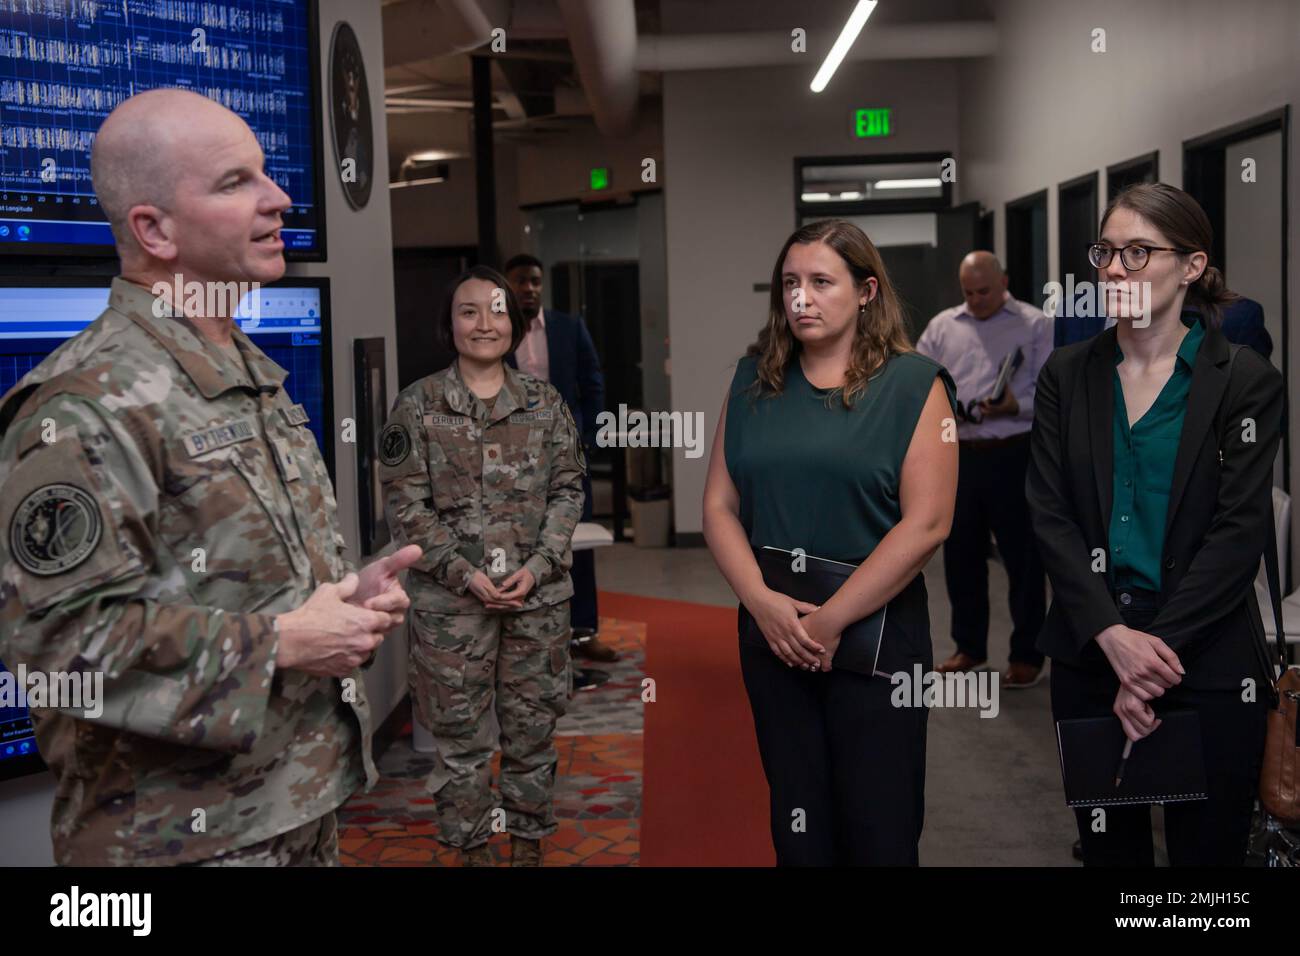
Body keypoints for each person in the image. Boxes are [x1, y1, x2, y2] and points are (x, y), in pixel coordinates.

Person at [0, 89, 421, 866]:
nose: (279, 200)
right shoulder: (86, 402)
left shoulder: (245, 371)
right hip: (174, 843)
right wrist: (283, 641)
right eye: (235, 184)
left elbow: (233, 575)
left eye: (265, 175)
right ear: (153, 229)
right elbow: (58, 646)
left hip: (290, 807)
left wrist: (339, 603)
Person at [1026, 182, 1283, 866]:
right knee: (1110, 854)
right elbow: (1048, 515)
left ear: (1192, 267)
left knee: (1207, 864)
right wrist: (1113, 638)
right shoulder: (1067, 374)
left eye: (1139, 252)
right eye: (1106, 252)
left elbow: (1238, 532)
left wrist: (1148, 661)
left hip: (1207, 657)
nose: (1114, 269)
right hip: (1091, 652)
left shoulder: (1245, 380)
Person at [702, 219, 958, 866]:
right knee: (798, 824)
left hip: (875, 637)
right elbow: (718, 507)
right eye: (790, 283)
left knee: (881, 828)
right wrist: (761, 604)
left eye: (821, 282)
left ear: (867, 291)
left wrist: (833, 619)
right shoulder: (751, 381)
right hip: (774, 634)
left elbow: (927, 524)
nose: (800, 299)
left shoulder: (914, 385)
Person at [381, 266, 585, 866]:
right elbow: (406, 506)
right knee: (462, 750)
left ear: (515, 324)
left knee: (532, 740)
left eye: (497, 311)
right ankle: (472, 857)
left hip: (537, 604)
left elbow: (569, 490)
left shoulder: (545, 404)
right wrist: (466, 574)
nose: (485, 323)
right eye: (469, 311)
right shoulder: (416, 405)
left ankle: (527, 854)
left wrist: (542, 564)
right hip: (452, 613)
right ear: (450, 324)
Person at [916, 252, 1052, 687]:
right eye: (968, 293)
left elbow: (1054, 394)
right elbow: (918, 380)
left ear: (1004, 282)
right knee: (961, 555)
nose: (975, 300)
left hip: (1015, 452)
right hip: (958, 454)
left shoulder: (1035, 324)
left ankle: (1027, 654)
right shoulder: (942, 326)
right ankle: (969, 647)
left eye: (984, 291)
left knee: (1023, 559)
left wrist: (1017, 405)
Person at [503, 254, 614, 663]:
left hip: (568, 455)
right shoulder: (496, 331)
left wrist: (589, 439)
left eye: (534, 281)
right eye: (520, 281)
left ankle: (584, 634)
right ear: (507, 285)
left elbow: (593, 383)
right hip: (512, 461)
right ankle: (531, 638)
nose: (529, 288)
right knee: (523, 543)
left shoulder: (569, 328)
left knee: (576, 542)